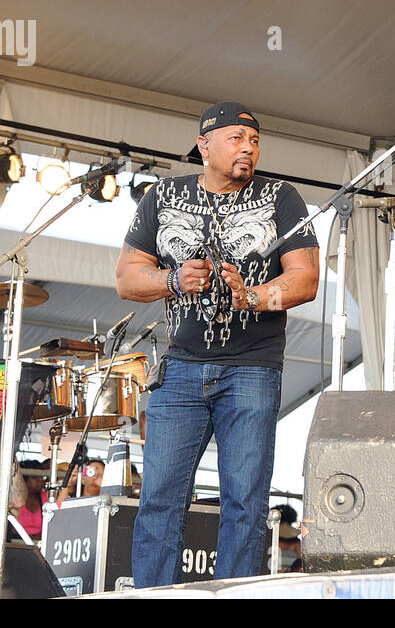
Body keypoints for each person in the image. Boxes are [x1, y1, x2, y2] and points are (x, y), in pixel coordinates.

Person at [116, 102, 319, 584]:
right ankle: (151, 597)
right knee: (160, 497)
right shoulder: (163, 196)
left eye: (254, 141)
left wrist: (252, 295)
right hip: (180, 367)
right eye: (236, 139)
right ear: (204, 145)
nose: (248, 148)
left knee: (245, 502)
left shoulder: (280, 196)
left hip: (252, 368)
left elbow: (305, 278)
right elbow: (127, 278)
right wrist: (173, 280)